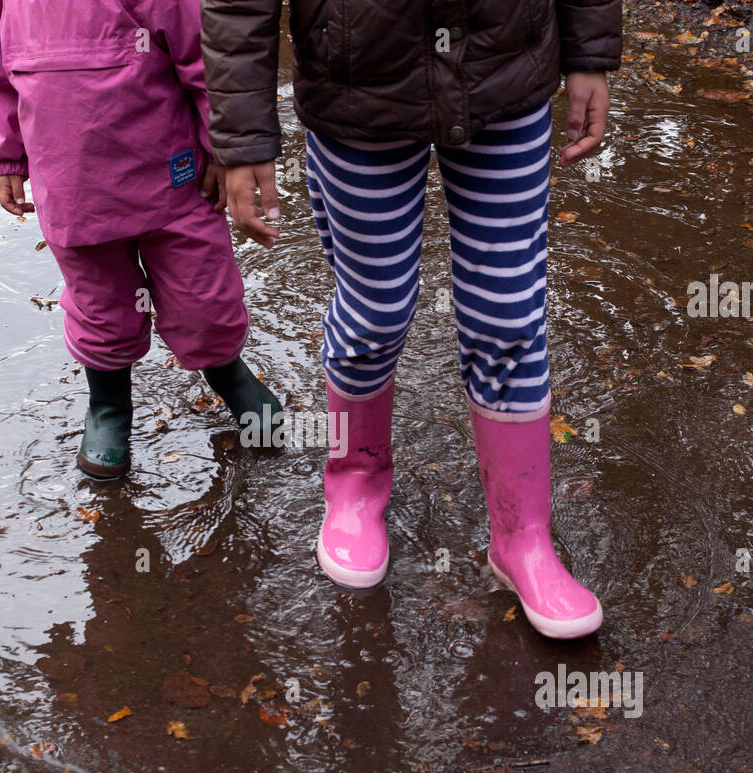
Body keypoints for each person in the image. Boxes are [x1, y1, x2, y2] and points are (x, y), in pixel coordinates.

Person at [202, 0, 620, 638]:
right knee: (374, 313)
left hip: (503, 73)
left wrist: (590, 51)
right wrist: (243, 134)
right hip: (357, 87)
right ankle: (356, 484)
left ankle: (521, 537)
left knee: (509, 316)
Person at [0, 0, 282, 480]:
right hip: (73, 195)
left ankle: (228, 372)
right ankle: (108, 405)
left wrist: (223, 147)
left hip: (175, 186)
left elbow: (204, 65)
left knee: (203, 297)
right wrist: (6, 157)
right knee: (102, 305)